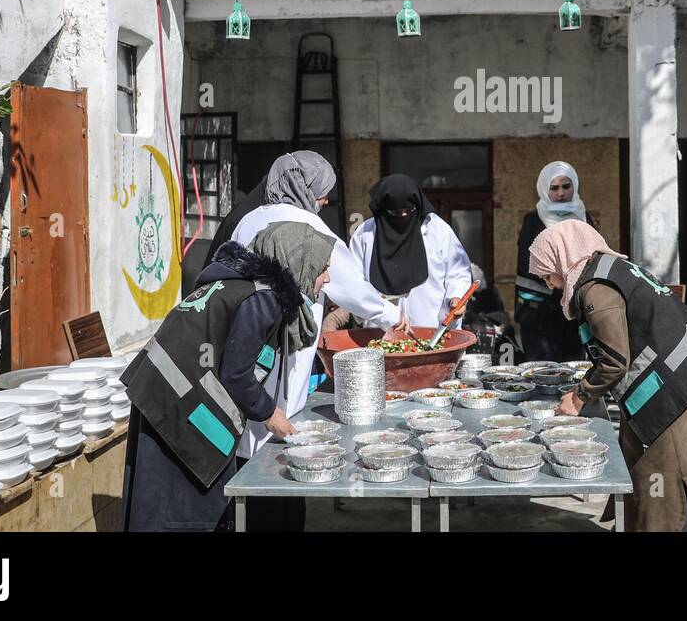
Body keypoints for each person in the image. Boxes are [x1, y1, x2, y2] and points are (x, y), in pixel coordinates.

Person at [120, 220, 333, 531]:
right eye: (323, 268)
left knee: (160, 502)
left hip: (162, 392)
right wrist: (269, 413)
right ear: (301, 261)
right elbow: (236, 374)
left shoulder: (243, 287)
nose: (327, 278)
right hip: (174, 398)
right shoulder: (263, 298)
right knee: (184, 509)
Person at [528, 219, 687, 532]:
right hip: (675, 376)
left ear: (562, 260)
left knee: (658, 481)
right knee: (636, 467)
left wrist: (579, 397)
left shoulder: (595, 289)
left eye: (547, 274)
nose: (549, 285)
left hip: (669, 392)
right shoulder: (609, 268)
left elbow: (615, 360)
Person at [230, 153, 407, 458]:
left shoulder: (249, 219)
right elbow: (351, 288)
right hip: (287, 343)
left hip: (244, 336)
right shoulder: (311, 226)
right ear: (304, 187)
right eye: (322, 191)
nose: (325, 200)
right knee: (280, 434)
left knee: (249, 425)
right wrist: (390, 315)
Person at [349, 175, 474, 329]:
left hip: (432, 330)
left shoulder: (438, 231)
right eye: (395, 213)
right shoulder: (365, 234)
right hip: (380, 332)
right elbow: (353, 283)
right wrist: (381, 309)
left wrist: (456, 297)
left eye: (408, 211)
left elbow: (458, 271)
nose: (403, 216)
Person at [515, 160, 592, 362]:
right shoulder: (534, 220)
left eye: (566, 186)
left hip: (574, 307)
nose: (561, 193)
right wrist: (558, 276)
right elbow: (527, 262)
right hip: (539, 311)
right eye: (554, 188)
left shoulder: (584, 217)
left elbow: (594, 253)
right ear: (544, 189)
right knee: (542, 368)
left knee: (574, 365)